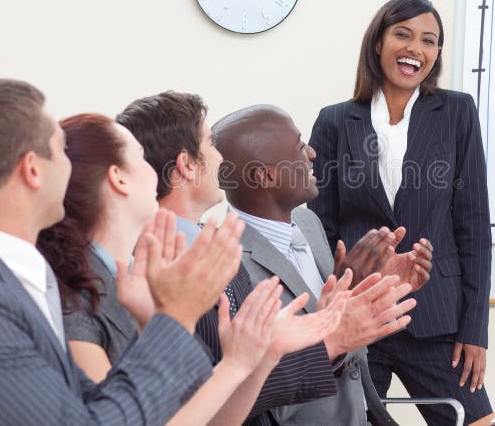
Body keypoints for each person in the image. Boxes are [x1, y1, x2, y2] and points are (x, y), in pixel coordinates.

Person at [0, 78, 244, 425]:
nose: (71, 167)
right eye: (59, 151)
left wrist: (156, 324)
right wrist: (174, 316)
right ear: (32, 170)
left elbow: (96, 407)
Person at [117, 92, 429, 426]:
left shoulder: (300, 227)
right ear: (186, 165)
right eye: (210, 145)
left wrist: (368, 292)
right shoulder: (203, 261)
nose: (220, 160)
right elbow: (227, 392)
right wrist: (334, 331)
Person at [37, 113, 342, 425]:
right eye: (141, 159)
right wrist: (179, 323)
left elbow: (205, 417)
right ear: (119, 178)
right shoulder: (75, 301)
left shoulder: (131, 281)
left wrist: (247, 361)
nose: (155, 172)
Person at [308, 0, 494, 425]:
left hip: (437, 320)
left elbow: (473, 227)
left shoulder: (456, 112)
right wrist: (328, 315)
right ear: (379, 42)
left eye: (429, 41)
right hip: (360, 318)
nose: (416, 49)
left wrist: (474, 329)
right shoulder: (336, 121)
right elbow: (320, 227)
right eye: (403, 35)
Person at [212, 104, 434, 426]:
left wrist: (368, 289)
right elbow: (260, 400)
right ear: (265, 175)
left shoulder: (308, 222)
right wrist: (339, 313)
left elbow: (349, 342)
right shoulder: (226, 266)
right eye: (300, 146)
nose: (312, 153)